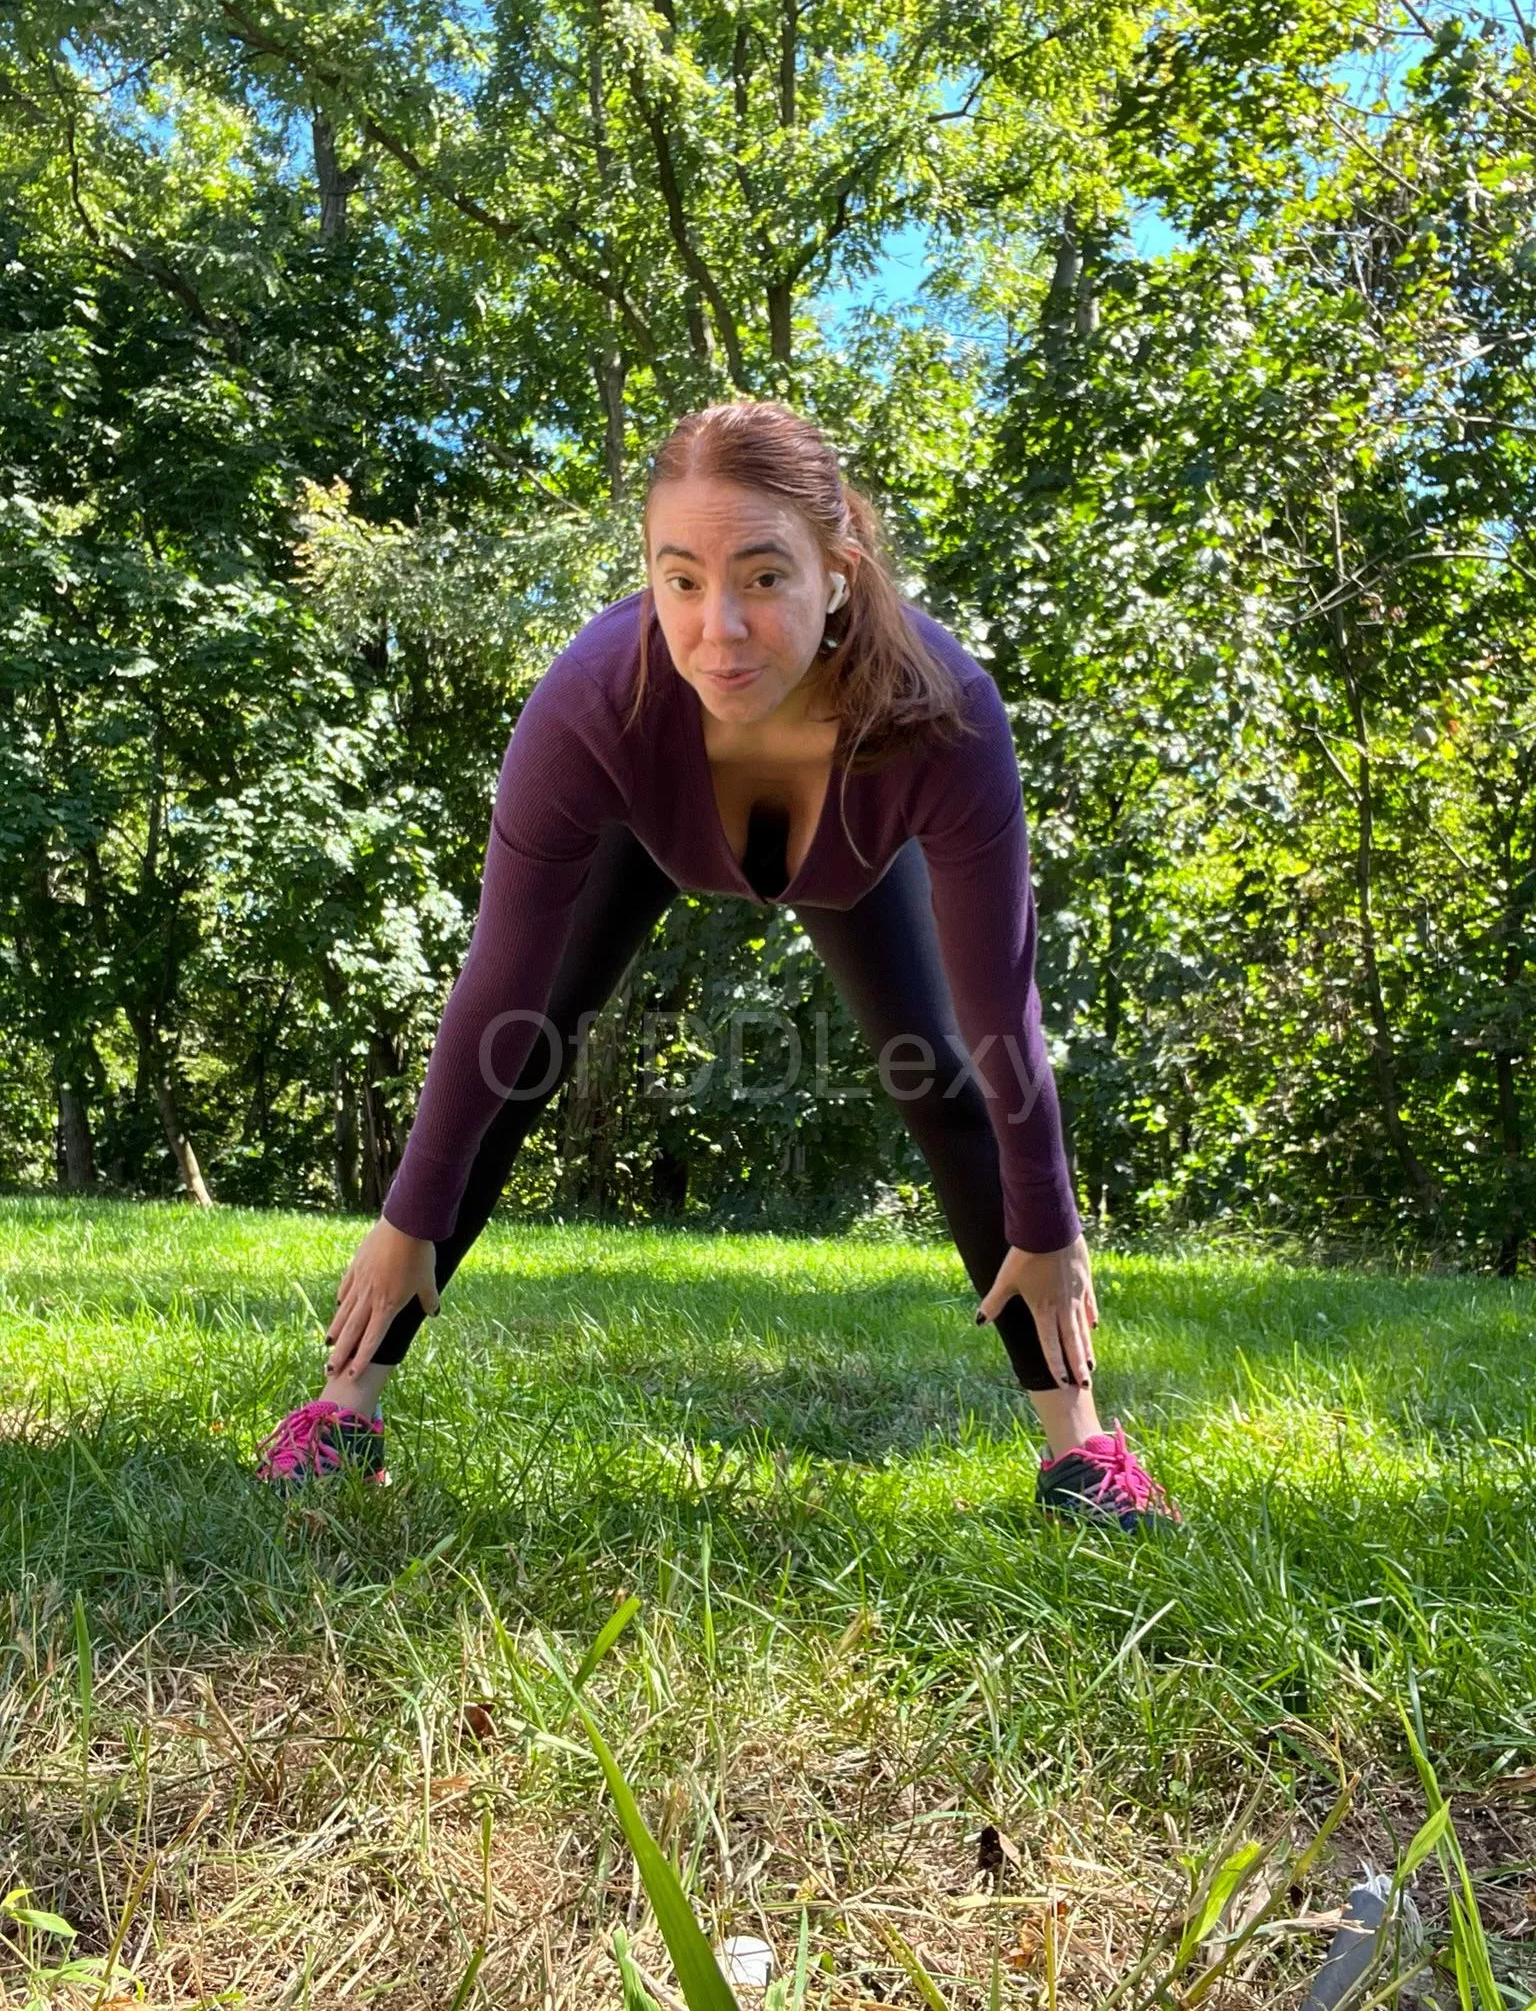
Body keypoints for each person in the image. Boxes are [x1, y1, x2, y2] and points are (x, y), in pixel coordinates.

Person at [257, 401, 1178, 1529]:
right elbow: (495, 987)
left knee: (939, 1074)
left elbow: (1003, 1003)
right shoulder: (596, 701)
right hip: (641, 827)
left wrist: (1049, 1221)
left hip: (845, 857)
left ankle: (1079, 1447)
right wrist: (406, 1218)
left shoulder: (944, 715)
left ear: (839, 570)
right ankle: (347, 1408)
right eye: (680, 578)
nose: (719, 630)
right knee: (523, 1045)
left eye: (762, 577)